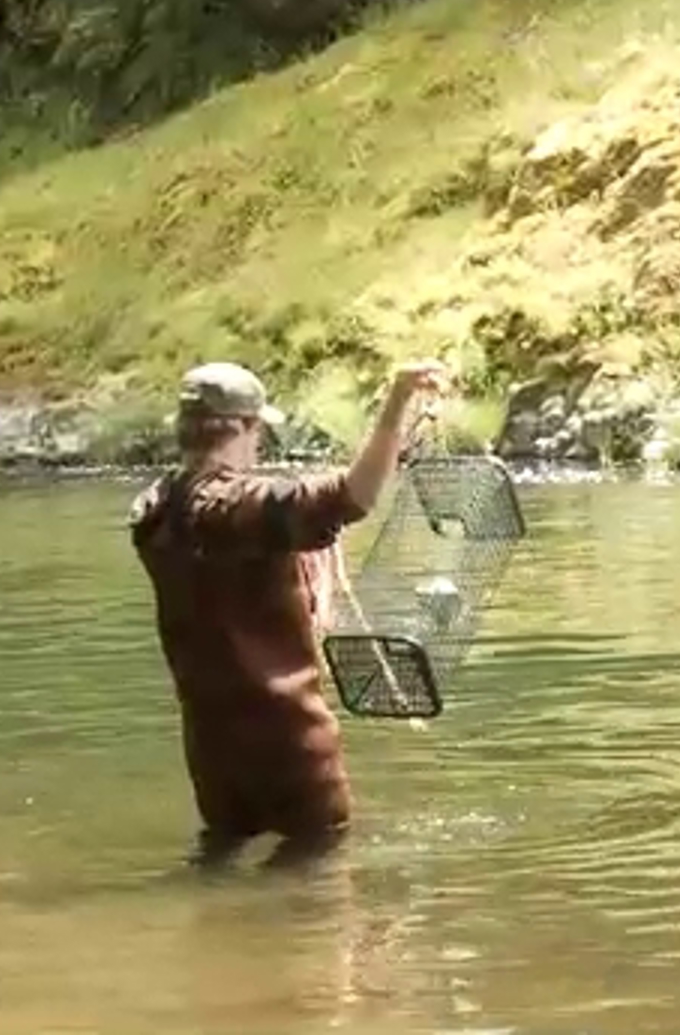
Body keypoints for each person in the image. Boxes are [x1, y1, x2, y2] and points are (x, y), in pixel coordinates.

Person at [128, 358, 450, 871]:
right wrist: (396, 403)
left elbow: (243, 513)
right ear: (245, 427)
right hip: (291, 746)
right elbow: (354, 496)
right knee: (320, 879)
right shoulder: (244, 509)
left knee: (217, 867)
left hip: (211, 750)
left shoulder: (153, 510)